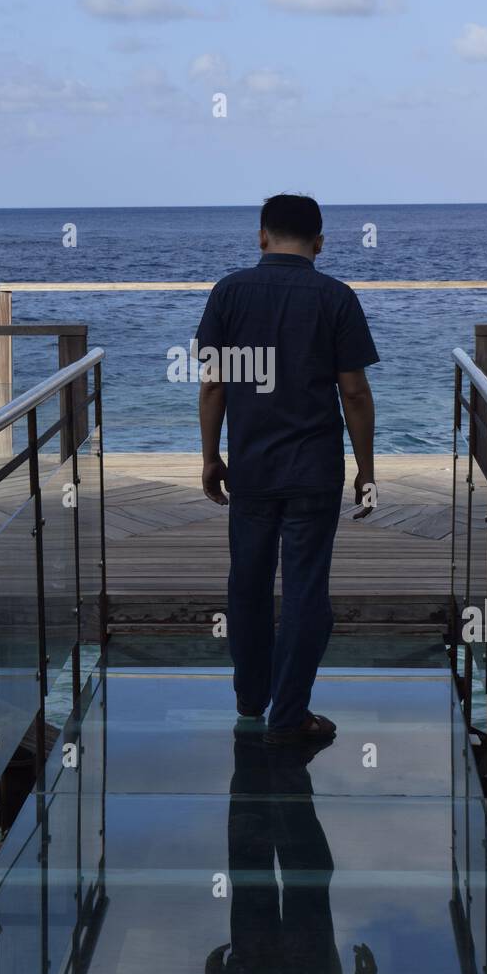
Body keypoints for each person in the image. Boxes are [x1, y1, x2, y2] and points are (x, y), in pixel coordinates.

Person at [195, 194, 379, 745]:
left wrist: (211, 457)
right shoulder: (336, 297)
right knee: (305, 592)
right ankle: (290, 713)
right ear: (319, 243)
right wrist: (366, 469)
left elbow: (213, 385)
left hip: (251, 469)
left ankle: (251, 698)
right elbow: (354, 392)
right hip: (313, 470)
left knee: (246, 586)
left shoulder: (229, 293)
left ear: (262, 236)